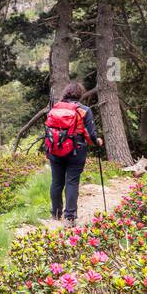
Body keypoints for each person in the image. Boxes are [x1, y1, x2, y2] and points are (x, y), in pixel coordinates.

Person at [44, 81, 103, 224]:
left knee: (56, 182)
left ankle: (56, 214)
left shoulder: (55, 108)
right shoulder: (83, 110)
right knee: (72, 182)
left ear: (66, 92)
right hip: (75, 151)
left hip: (54, 150)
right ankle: (70, 217)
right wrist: (97, 142)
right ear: (80, 94)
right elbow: (90, 135)